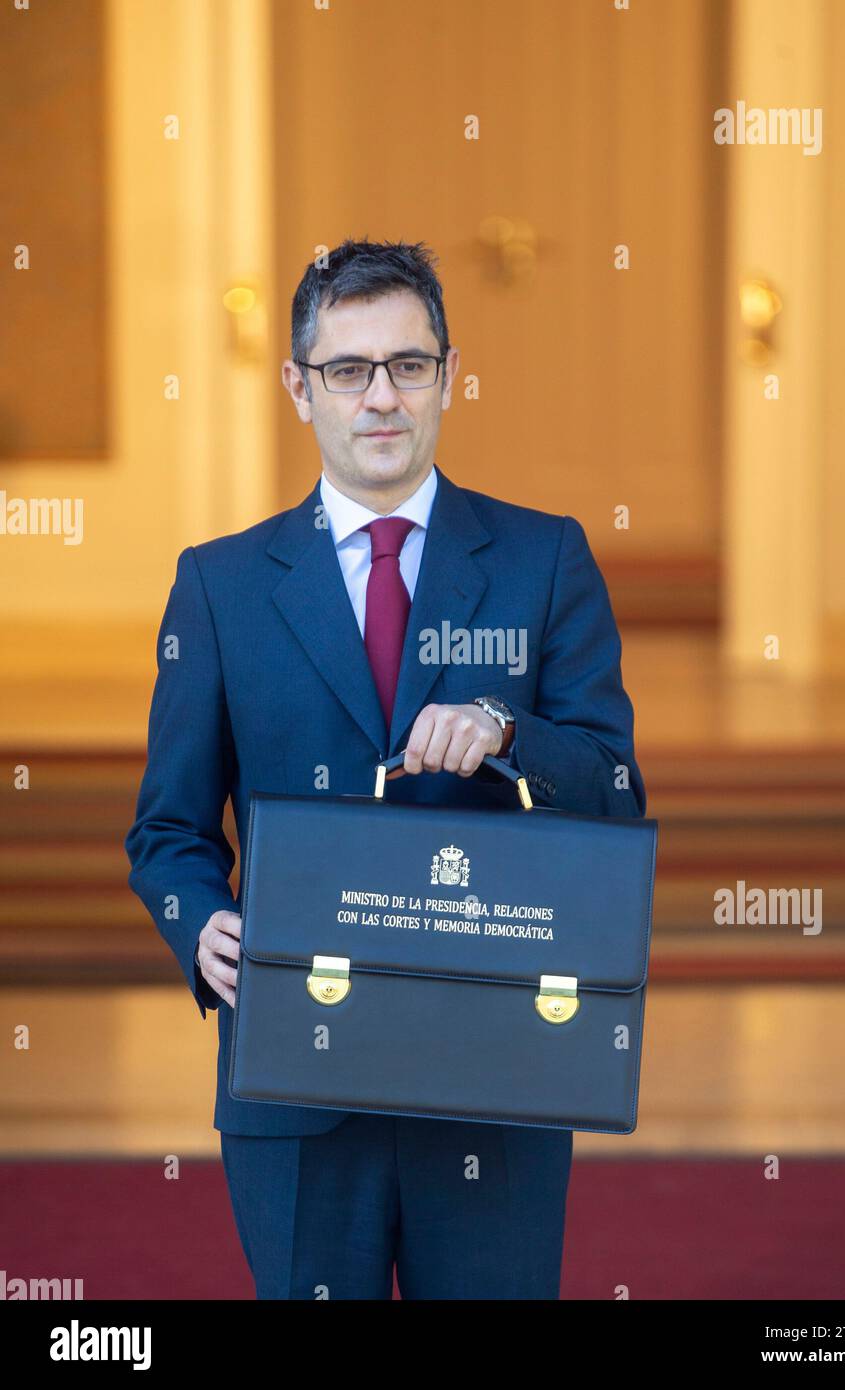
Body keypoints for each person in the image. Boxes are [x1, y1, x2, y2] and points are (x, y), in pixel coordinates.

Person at [125, 238, 646, 1300]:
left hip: (495, 1074)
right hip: (295, 1077)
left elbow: (615, 787)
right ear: (298, 387)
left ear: (449, 376)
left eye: (409, 365)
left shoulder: (546, 560)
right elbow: (168, 832)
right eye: (348, 370)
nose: (381, 398)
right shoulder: (219, 586)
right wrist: (199, 924)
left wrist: (508, 729)